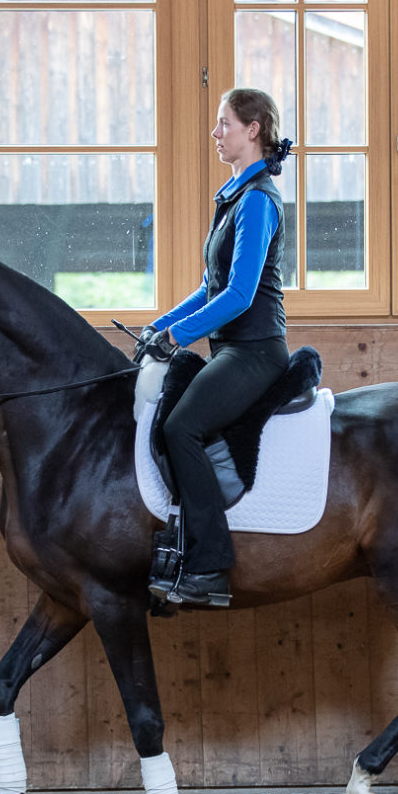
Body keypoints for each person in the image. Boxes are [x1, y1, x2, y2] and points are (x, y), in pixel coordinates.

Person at [140, 87, 294, 607]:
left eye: (224, 123)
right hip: (231, 348)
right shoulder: (233, 197)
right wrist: (157, 326)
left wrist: (176, 336)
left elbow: (240, 295)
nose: (215, 133)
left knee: (182, 427)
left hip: (255, 351)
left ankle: (208, 567)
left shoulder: (257, 200)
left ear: (253, 130)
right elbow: (210, 287)